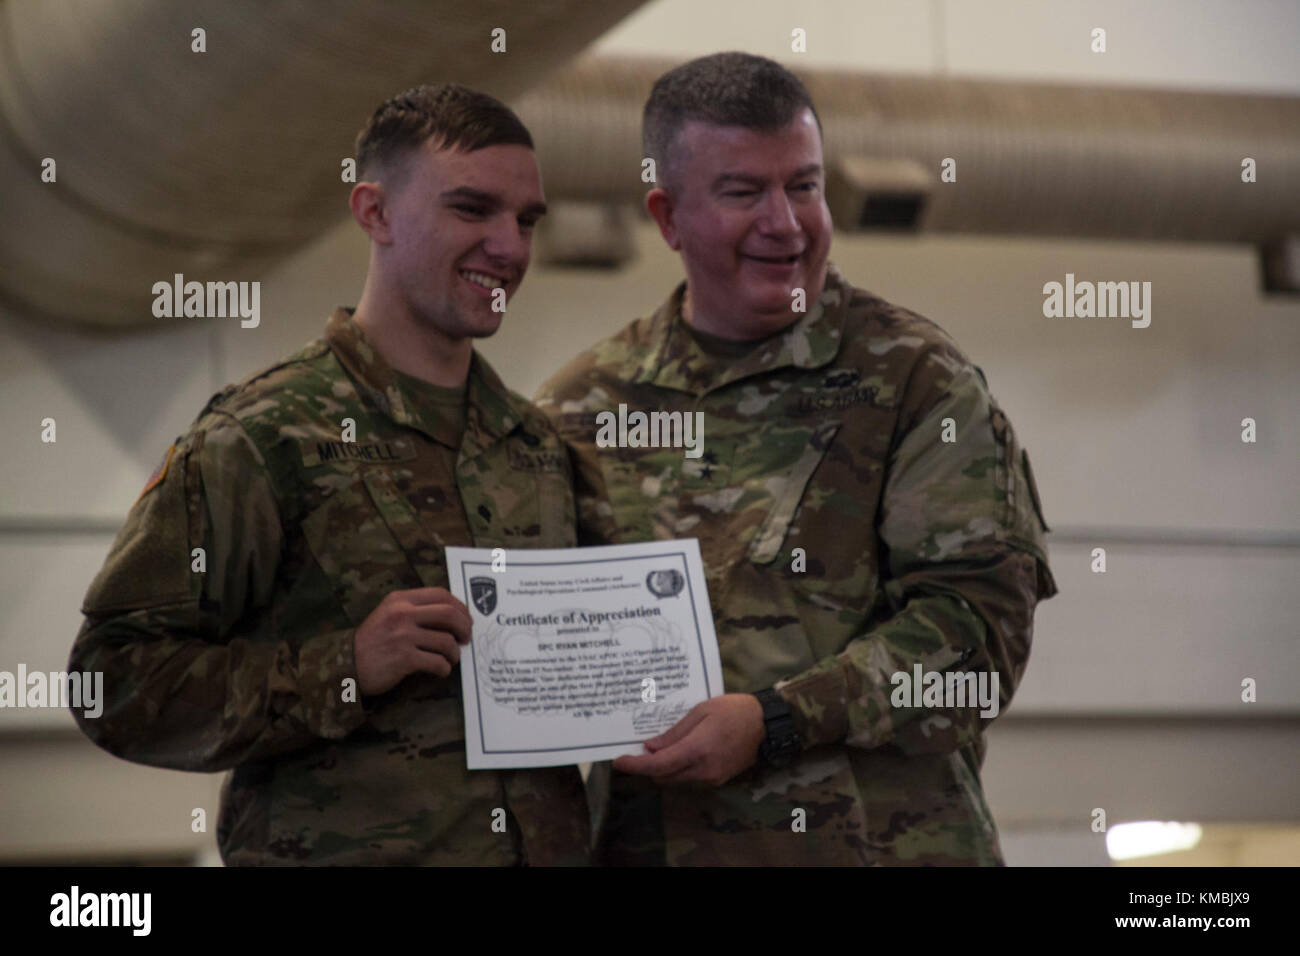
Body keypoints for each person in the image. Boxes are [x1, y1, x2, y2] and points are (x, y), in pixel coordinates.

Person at [536, 52, 1059, 865]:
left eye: (804, 186)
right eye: (744, 192)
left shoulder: (914, 380)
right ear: (668, 218)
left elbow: (975, 642)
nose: (784, 223)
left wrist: (778, 720)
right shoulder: (581, 409)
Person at [69, 84, 590, 865]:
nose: (510, 248)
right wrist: (344, 667)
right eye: (473, 209)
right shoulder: (261, 433)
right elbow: (109, 684)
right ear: (375, 212)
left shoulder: (537, 444)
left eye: (527, 220)